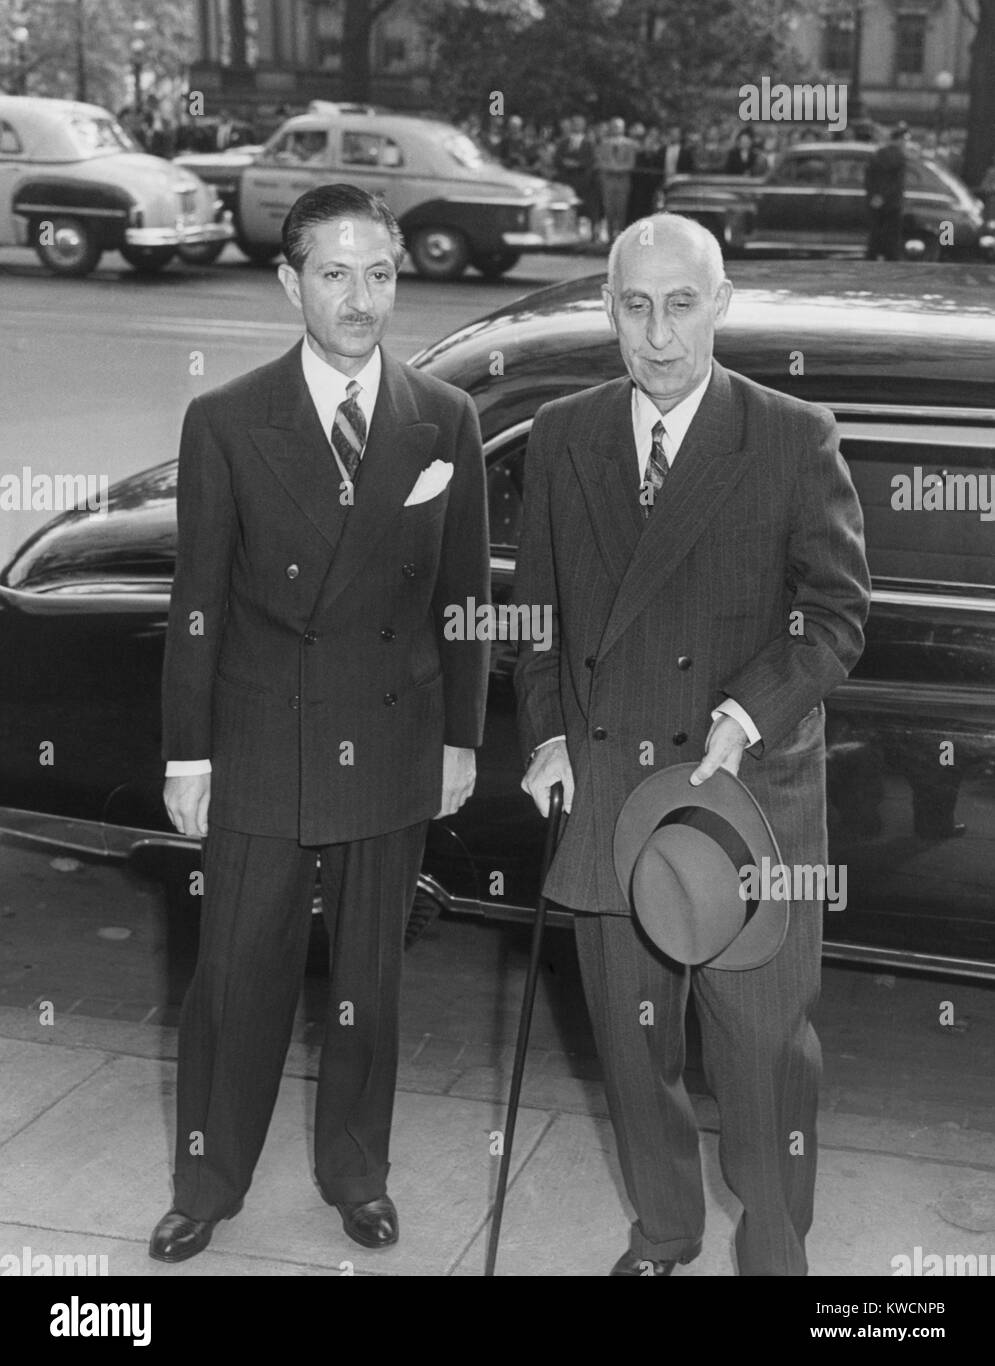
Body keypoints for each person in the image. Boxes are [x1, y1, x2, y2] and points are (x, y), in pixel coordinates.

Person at [514, 212, 870, 1276]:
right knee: (631, 1052)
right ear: (607, 312)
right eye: (633, 307)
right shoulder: (559, 435)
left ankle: (773, 1254)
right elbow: (536, 619)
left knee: (763, 1061)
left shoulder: (791, 434)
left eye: (679, 305)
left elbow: (835, 613)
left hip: (743, 802)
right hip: (610, 803)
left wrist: (750, 706)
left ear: (717, 306)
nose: (657, 335)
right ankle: (663, 1235)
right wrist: (543, 739)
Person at [149, 184, 490, 1264]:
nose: (359, 298)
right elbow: (197, 602)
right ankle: (207, 1182)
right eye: (334, 273)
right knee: (234, 978)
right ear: (289, 280)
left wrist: (459, 740)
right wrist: (187, 751)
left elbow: (464, 597)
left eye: (379, 273)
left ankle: (356, 1173)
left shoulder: (444, 416)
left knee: (367, 987)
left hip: (393, 736)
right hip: (261, 738)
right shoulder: (226, 419)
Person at [865, 122, 909, 261]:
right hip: (892, 204)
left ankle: (871, 259)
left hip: (875, 203)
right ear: (899, 140)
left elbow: (869, 179)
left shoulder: (877, 155)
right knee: (892, 239)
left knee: (875, 235)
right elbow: (896, 183)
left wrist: (875, 196)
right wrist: (884, 196)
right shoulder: (900, 158)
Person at [596, 116, 638, 242]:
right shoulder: (604, 143)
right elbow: (600, 162)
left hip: (622, 181)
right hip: (608, 181)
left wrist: (616, 168)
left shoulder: (629, 144)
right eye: (614, 126)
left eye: (619, 126)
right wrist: (612, 168)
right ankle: (609, 237)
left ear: (623, 128)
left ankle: (620, 237)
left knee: (621, 210)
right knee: (609, 209)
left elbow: (631, 164)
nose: (616, 128)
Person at [627, 125, 666, 223]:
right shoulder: (639, 156)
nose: (650, 144)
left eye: (652, 142)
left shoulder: (659, 157)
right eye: (648, 142)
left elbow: (660, 174)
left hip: (653, 190)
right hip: (639, 190)